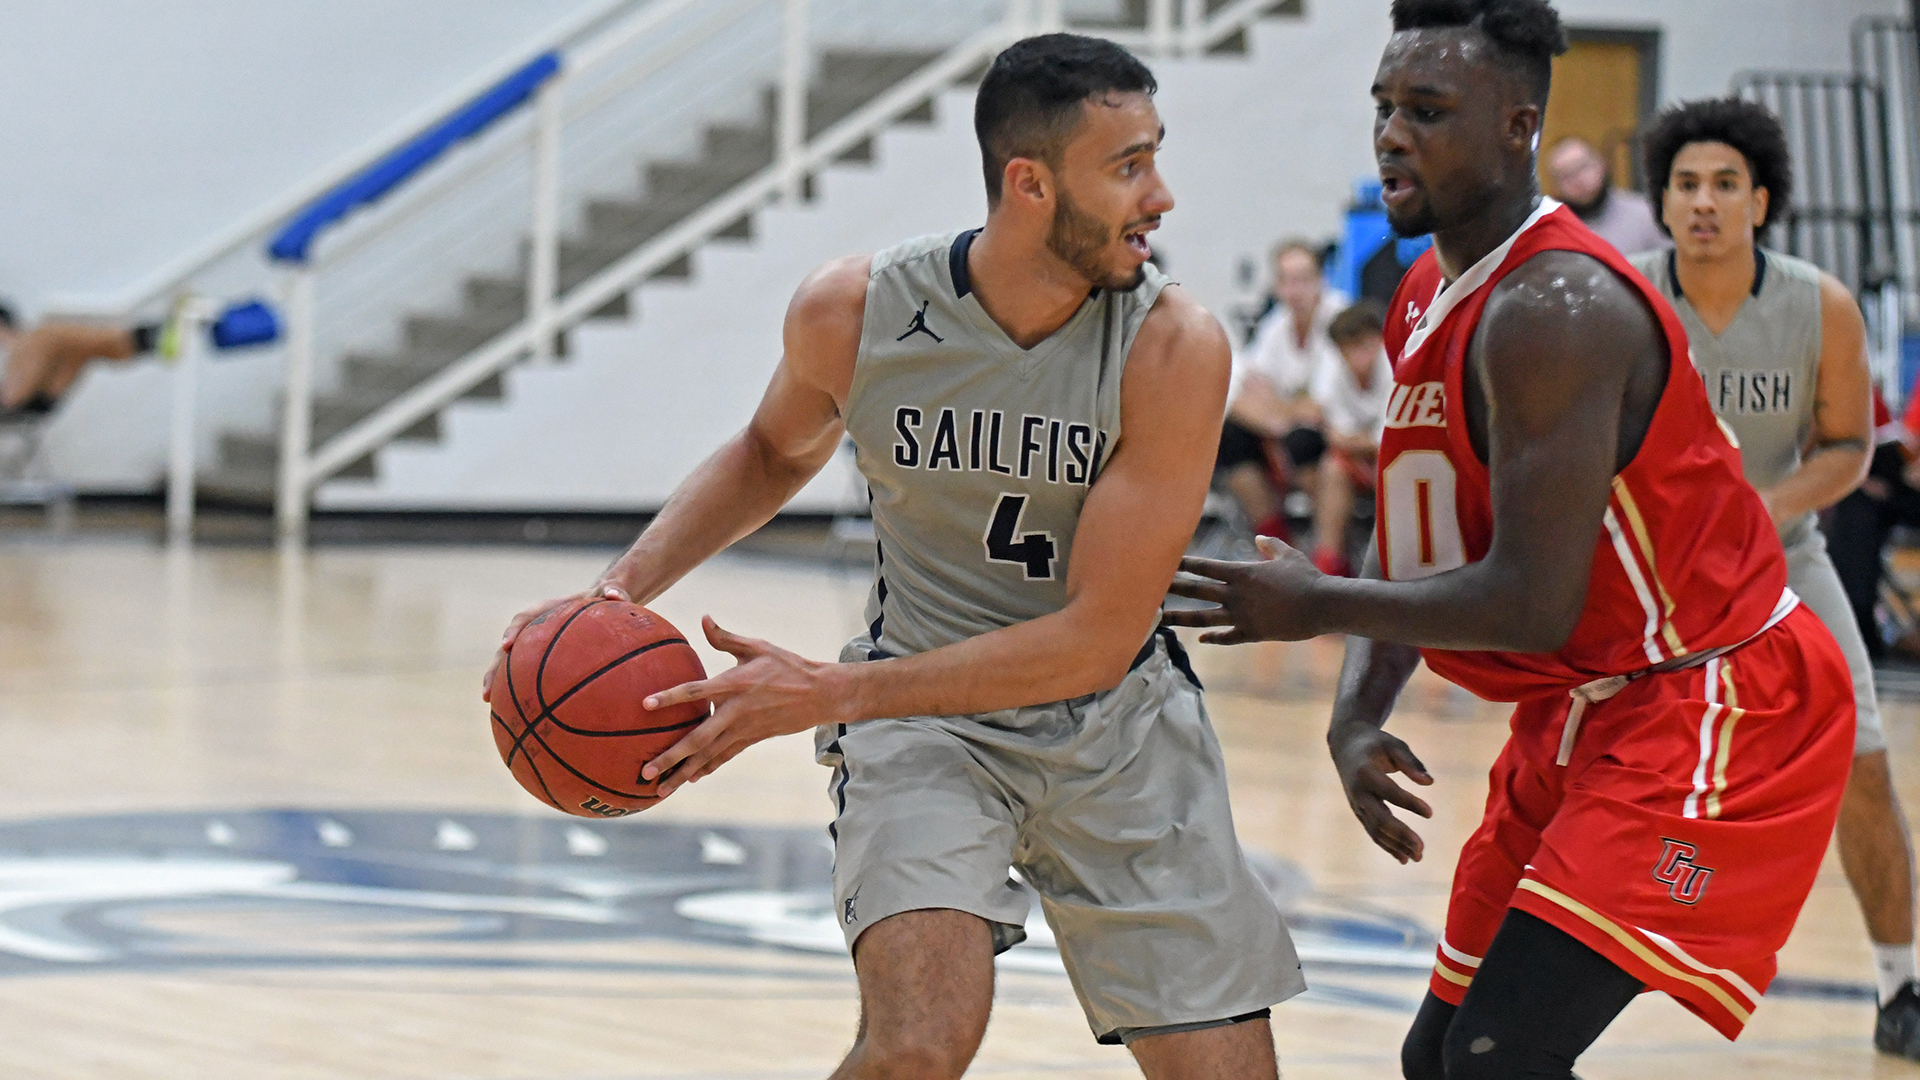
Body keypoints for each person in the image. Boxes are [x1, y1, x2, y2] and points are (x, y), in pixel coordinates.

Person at [486, 33, 1302, 1080]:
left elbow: (1095, 643)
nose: (1164, 196)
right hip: (923, 729)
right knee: (918, 1044)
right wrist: (607, 599)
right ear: (1031, 184)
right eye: (1129, 166)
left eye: (1156, 156)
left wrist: (826, 692)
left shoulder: (1173, 348)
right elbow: (770, 450)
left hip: (1120, 732)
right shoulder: (856, 310)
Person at [1165, 2, 1855, 1076]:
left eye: (1429, 110)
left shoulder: (1558, 308)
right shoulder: (1420, 295)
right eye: (1384, 107)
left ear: (1518, 125)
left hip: (1711, 698)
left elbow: (1533, 599)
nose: (1393, 133)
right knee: (1439, 1058)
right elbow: (1409, 536)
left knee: (1495, 1060)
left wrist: (1317, 607)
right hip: (1585, 702)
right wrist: (1354, 719)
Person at [1628, 95, 1920, 1059]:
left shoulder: (1820, 304)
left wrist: (1760, 511)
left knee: (1862, 765)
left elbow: (1846, 446)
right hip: (1646, 574)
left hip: (1783, 561)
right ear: (1662, 202)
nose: (1703, 202)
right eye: (1685, 185)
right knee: (1589, 767)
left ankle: (1902, 980)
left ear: (1761, 201)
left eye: (1724, 185)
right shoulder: (1621, 299)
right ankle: (1548, 971)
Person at [1216, 240, 1348, 539]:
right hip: (1289, 431)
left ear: (1320, 281)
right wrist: (1283, 417)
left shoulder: (1340, 319)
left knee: (1303, 442)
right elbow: (1242, 393)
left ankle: (1330, 551)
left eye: (1302, 280)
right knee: (1232, 437)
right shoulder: (1277, 324)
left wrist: (1276, 410)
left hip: (1339, 435)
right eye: (1286, 280)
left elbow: (1319, 409)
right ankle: (1274, 541)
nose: (1294, 290)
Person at [1306, 300, 1393, 578]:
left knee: (1391, 465)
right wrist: (1361, 443)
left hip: (1392, 459)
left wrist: (1358, 443)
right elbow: (1337, 437)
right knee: (1332, 469)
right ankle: (1329, 564)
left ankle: (1393, 561)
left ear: (1379, 341)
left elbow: (1390, 439)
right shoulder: (1334, 375)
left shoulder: (1396, 368)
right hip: (1360, 461)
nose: (1361, 356)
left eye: (1366, 345)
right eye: (1351, 348)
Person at [0, 303, 165, 415]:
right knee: (50, 335)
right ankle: (146, 338)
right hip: (13, 396)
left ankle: (146, 338)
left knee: (76, 347)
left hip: (28, 391)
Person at [1546, 136, 1667, 256]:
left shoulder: (1645, 214)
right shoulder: (1553, 233)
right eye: (1566, 176)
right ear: (1555, 187)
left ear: (1601, 163)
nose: (1578, 180)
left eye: (1582, 167)